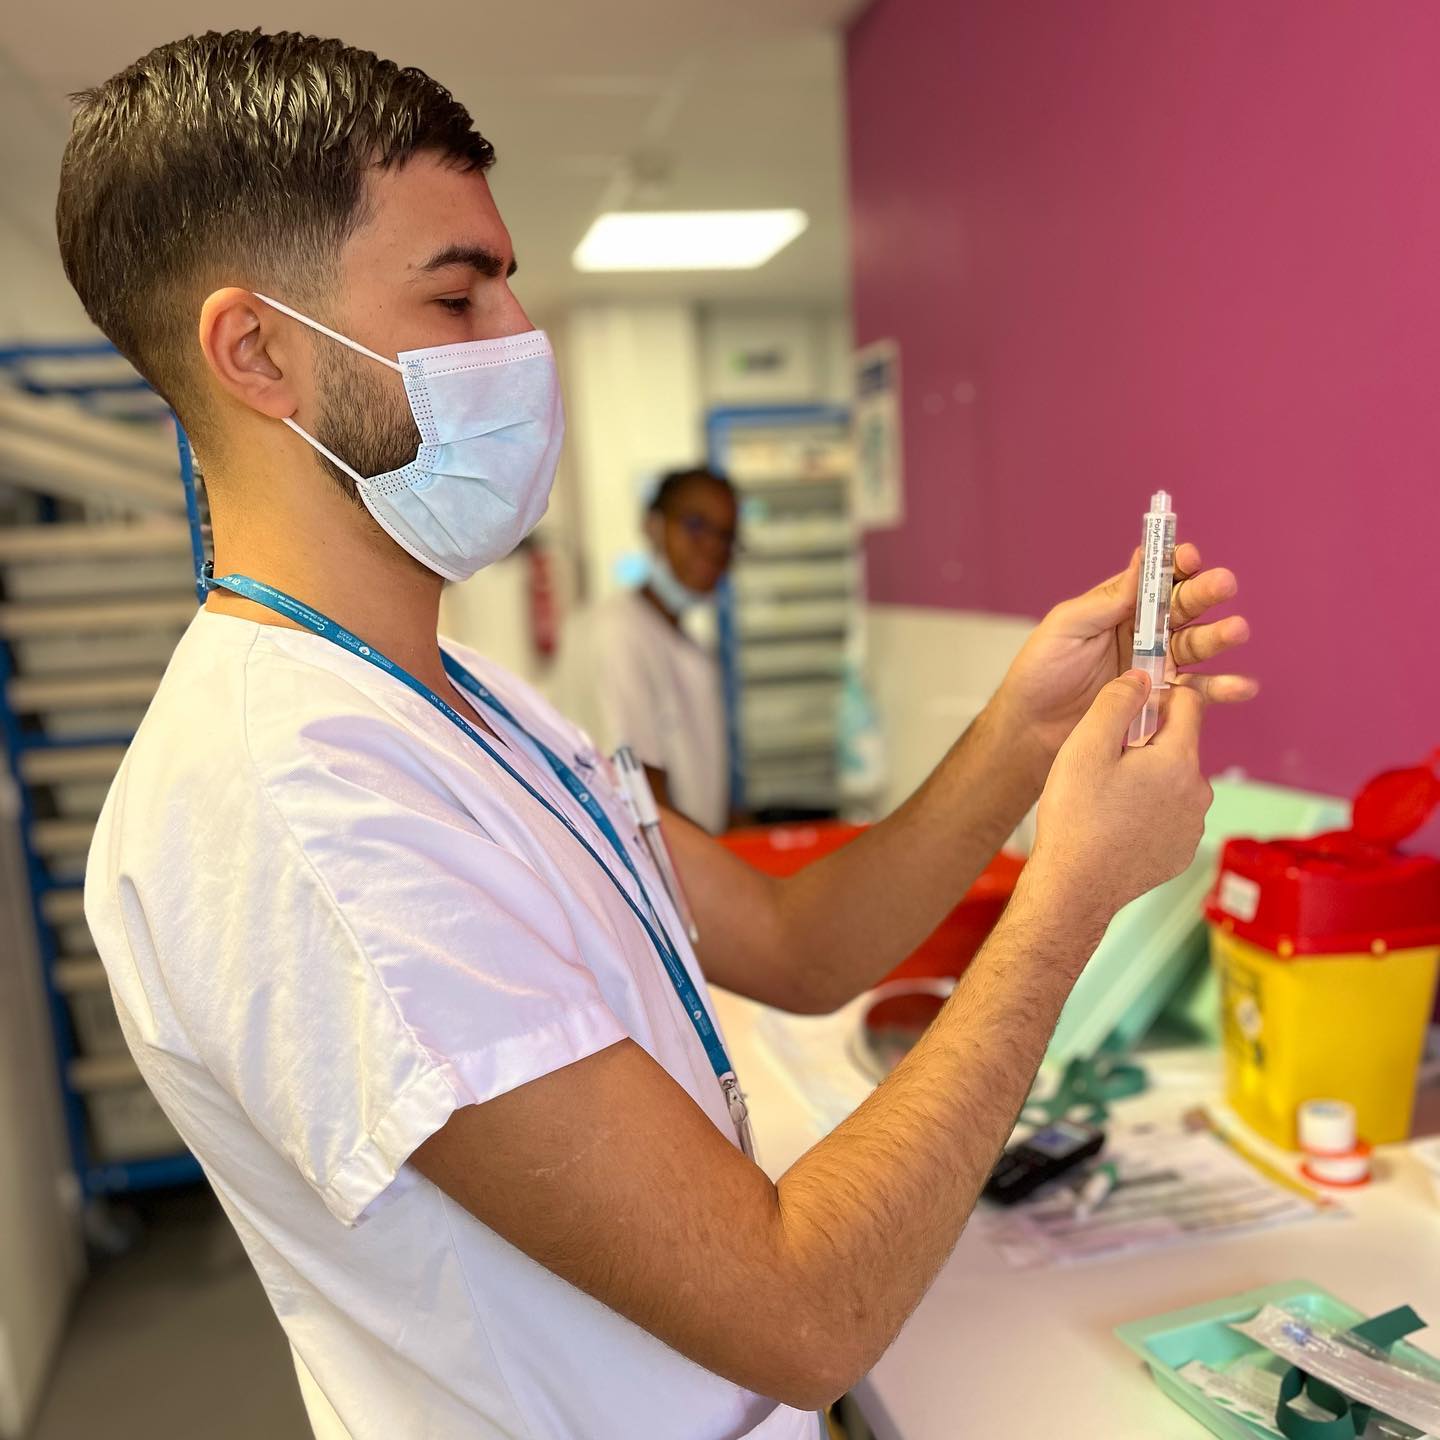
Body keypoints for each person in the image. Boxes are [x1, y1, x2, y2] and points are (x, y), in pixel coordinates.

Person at [59, 31, 1257, 1440]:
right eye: (458, 295)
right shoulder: (294, 804)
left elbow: (800, 943)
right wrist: (1075, 894)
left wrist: (1023, 730)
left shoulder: (464, 697)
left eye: (509, 283)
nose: (521, 341)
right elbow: (800, 1311)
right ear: (257, 351)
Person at [558, 466, 737, 833]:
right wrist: (716, 861)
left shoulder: (690, 647)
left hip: (690, 855)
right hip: (649, 861)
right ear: (654, 526)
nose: (713, 547)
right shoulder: (617, 631)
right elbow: (640, 795)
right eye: (696, 525)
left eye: (726, 535)